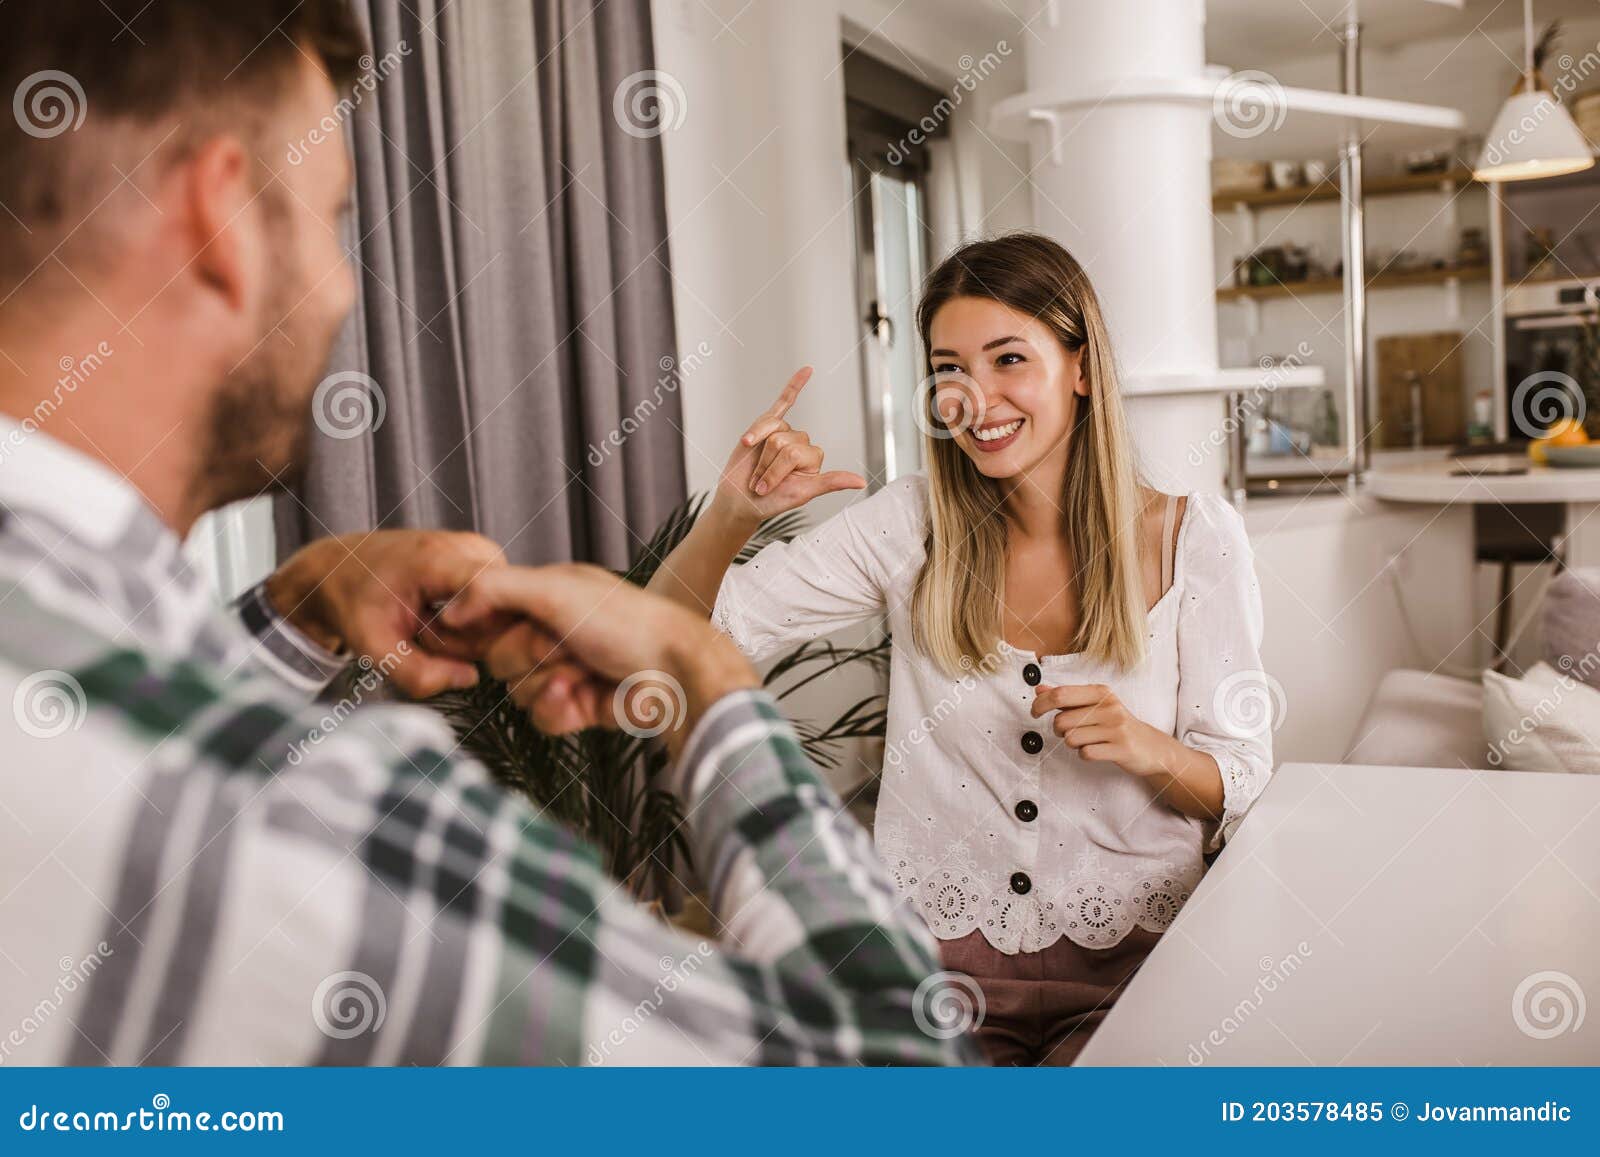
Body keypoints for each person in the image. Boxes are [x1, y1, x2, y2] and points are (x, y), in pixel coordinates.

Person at [0, 1, 979, 1066]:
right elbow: (897, 1084)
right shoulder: (309, 824)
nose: (337, 291)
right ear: (220, 218)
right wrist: (705, 676)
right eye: (331, 220)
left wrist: (290, 612)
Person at [649, 232, 1274, 1065]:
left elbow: (1240, 777)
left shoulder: (1196, 540)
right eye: (949, 368)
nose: (973, 398)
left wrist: (1145, 747)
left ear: (1081, 367)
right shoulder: (911, 526)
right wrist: (730, 516)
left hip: (1141, 961)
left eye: (1008, 358)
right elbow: (668, 638)